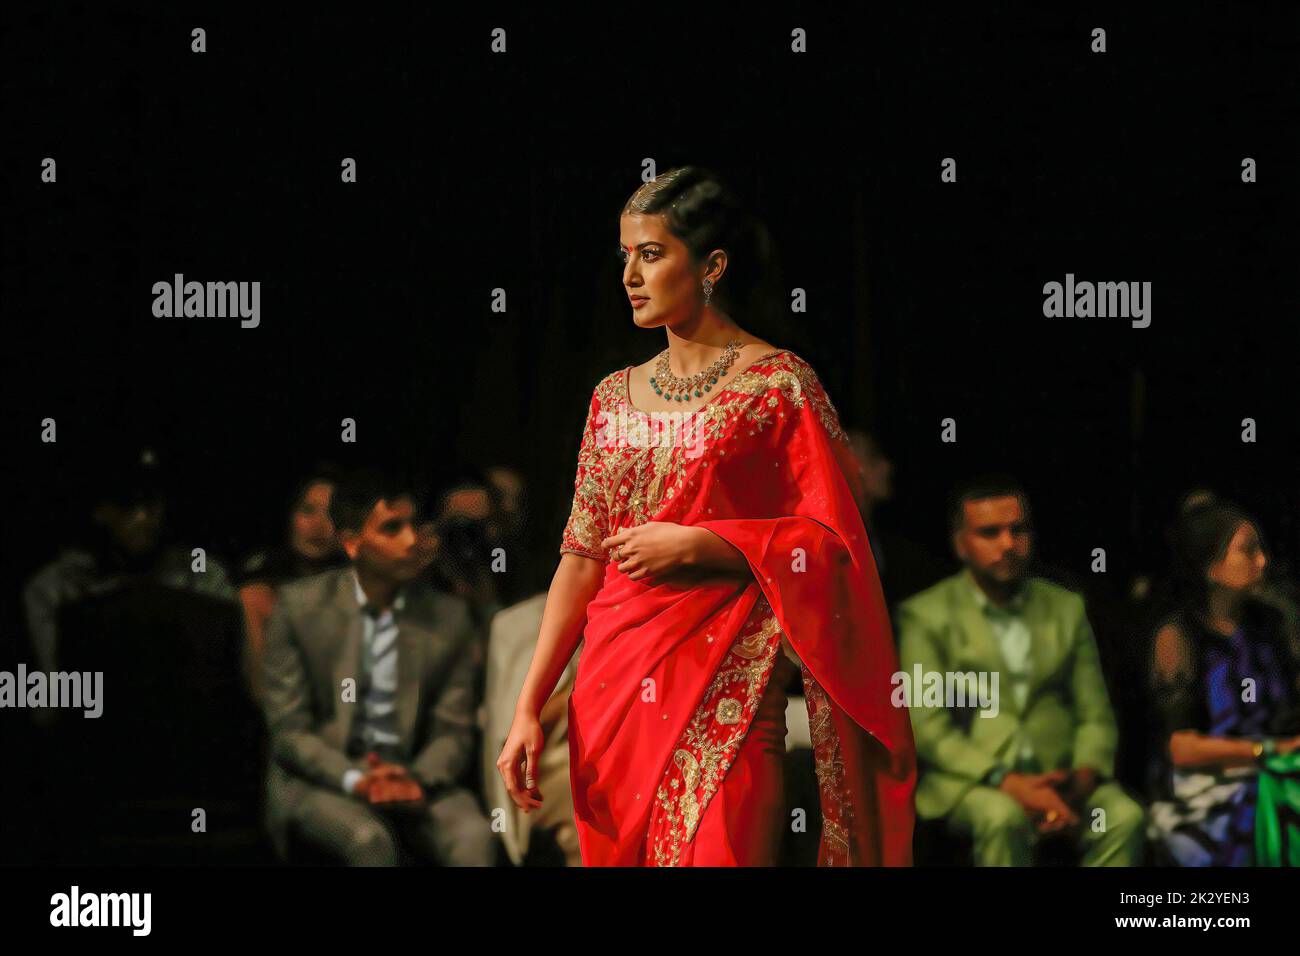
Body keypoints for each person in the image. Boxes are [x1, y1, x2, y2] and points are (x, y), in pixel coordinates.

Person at [496, 166, 916, 867]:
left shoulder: (778, 385)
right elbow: (580, 559)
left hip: (728, 690)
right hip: (611, 694)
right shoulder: (610, 398)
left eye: (652, 253)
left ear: (712, 265)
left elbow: (836, 545)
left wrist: (709, 545)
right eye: (624, 255)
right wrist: (526, 708)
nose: (631, 274)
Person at [896, 475, 1146, 865]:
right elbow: (926, 725)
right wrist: (1007, 781)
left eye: (1019, 530)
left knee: (1122, 817)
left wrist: (1081, 779)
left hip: (1063, 781)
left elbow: (1095, 709)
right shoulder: (926, 616)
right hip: (973, 782)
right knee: (1002, 817)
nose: (1008, 544)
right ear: (961, 544)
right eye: (990, 532)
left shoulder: (1065, 607)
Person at [261, 466, 498, 865]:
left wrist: (414, 779)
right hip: (322, 780)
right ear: (352, 544)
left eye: (414, 526)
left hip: (415, 777)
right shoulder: (299, 607)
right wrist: (358, 780)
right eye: (392, 529)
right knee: (368, 840)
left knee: (474, 834)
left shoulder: (448, 617)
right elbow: (290, 730)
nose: (411, 541)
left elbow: (452, 730)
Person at [1146, 499, 1300, 866]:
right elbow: (1182, 749)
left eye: (1261, 550)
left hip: (1280, 768)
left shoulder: (1271, 624)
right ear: (1211, 568)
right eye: (1248, 551)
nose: (1262, 562)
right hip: (1206, 783)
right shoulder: (1178, 637)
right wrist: (1267, 753)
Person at [234, 463, 347, 700]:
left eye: (332, 515)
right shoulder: (258, 588)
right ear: (290, 517)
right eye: (307, 510)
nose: (319, 525)